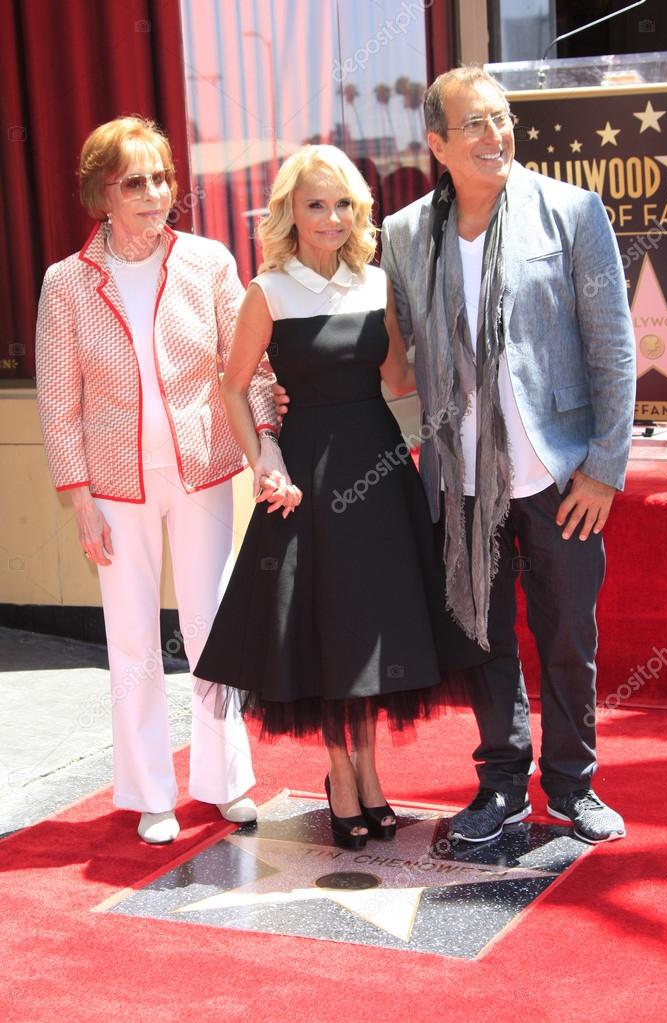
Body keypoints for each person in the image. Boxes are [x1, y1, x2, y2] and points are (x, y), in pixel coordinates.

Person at [195, 144, 487, 850]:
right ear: (290, 212)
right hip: (308, 482)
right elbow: (234, 386)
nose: (331, 217)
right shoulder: (268, 290)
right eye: (316, 203)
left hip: (379, 467)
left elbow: (397, 379)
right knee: (328, 628)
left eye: (343, 203)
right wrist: (265, 456)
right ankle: (341, 775)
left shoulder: (375, 282)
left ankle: (370, 770)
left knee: (373, 623)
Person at [378, 66, 636, 844]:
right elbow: (392, 355)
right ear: (437, 145)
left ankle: (574, 785)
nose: (498, 136)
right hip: (459, 483)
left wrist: (603, 466)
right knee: (480, 639)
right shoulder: (403, 234)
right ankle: (500, 786)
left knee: (567, 638)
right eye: (477, 125)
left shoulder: (570, 212)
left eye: (503, 118)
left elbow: (614, 349)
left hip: (559, 476)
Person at [35, 115, 285, 844]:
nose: (154, 194)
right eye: (134, 182)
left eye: (162, 178)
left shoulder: (208, 263)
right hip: (114, 488)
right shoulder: (68, 282)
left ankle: (225, 779)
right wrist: (79, 498)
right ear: (101, 194)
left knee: (214, 625)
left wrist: (265, 443)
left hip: (204, 470)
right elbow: (57, 401)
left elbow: (251, 370)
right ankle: (150, 791)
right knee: (133, 637)